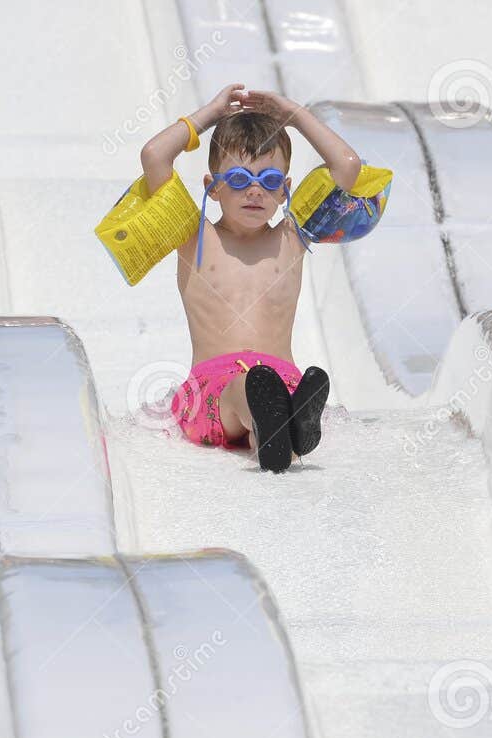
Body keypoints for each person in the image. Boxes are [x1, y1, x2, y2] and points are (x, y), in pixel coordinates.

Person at [139, 84, 364, 472]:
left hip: (283, 379)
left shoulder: (292, 237)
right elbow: (154, 156)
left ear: (286, 191)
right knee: (247, 389)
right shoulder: (193, 236)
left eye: (270, 180)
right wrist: (211, 113)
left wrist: (292, 114)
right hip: (212, 387)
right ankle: (285, 427)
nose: (256, 191)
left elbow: (348, 166)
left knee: (265, 396)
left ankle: (278, 437)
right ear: (212, 187)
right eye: (240, 179)